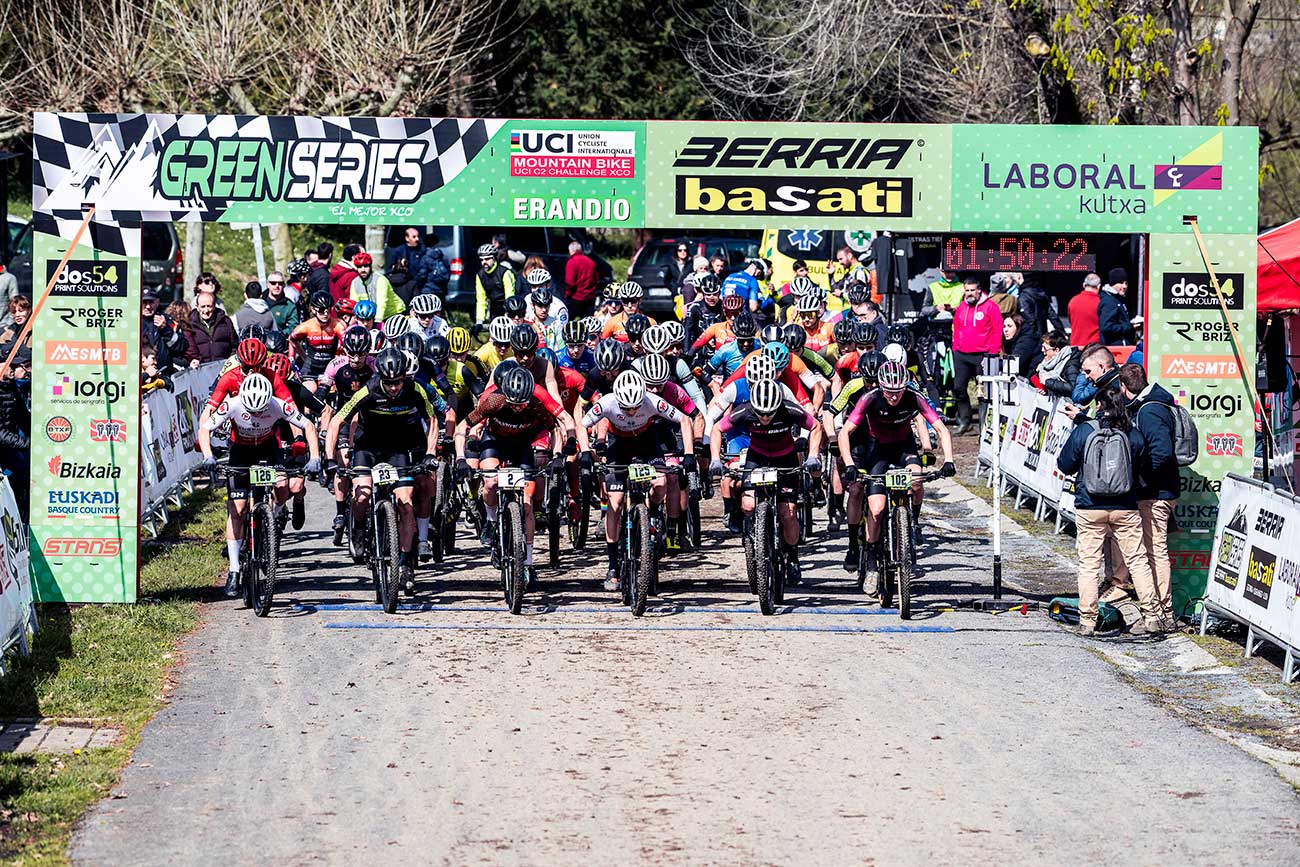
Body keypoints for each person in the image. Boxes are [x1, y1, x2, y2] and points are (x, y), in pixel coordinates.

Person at [1057, 353, 1163, 636]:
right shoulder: (1133, 433)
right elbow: (1143, 465)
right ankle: (1153, 616)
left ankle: (1088, 621)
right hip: (1125, 506)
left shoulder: (1085, 430)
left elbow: (1064, 464)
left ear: (1099, 404)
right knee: (1138, 560)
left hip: (1089, 505)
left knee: (1089, 563)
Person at [327, 346, 441, 589]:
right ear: (380, 377)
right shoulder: (368, 390)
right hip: (368, 447)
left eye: (397, 382)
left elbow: (433, 420)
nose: (393, 388)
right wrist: (329, 458)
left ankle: (404, 564)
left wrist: (431, 452)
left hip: (398, 449)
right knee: (362, 496)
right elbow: (337, 420)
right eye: (388, 383)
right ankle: (357, 529)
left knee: (406, 503)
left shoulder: (414, 389)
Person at [200, 372, 320, 596]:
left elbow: (308, 426)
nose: (256, 414)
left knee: (282, 487)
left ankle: (274, 516)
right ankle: (234, 570)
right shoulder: (233, 404)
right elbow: (206, 428)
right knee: (237, 510)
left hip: (267, 450)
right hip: (240, 452)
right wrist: (208, 455)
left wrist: (314, 458)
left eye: (260, 410)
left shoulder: (276, 404)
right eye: (251, 410)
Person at [1119, 362, 1180, 630]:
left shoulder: (1150, 411)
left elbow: (1162, 452)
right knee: (1154, 550)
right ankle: (1160, 607)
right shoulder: (1153, 405)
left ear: (1123, 387)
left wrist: (1142, 478)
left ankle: (1163, 611)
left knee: (1154, 551)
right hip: (1160, 490)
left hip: (1156, 492)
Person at [950, 278, 1002, 435]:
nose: (970, 293)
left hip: (982, 355)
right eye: (967, 290)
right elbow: (956, 327)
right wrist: (955, 347)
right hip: (962, 354)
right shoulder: (961, 306)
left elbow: (997, 329)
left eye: (972, 290)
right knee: (958, 388)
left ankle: (984, 425)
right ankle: (964, 421)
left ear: (979, 290)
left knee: (983, 393)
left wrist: (993, 353)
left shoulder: (990, 307)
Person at [349, 251, 405, 322]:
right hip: (373, 316)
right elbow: (355, 305)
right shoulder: (355, 282)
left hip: (394, 312)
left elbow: (382, 304)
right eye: (359, 267)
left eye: (366, 266)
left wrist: (377, 322)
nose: (363, 270)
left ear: (370, 266)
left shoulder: (380, 280)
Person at [475, 243, 519, 323]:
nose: (484, 262)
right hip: (494, 308)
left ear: (494, 258)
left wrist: (508, 314)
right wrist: (479, 321)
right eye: (481, 259)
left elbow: (510, 295)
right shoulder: (480, 275)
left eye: (487, 259)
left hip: (510, 306)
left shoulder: (505, 272)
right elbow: (481, 299)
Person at [189, 291, 237, 363]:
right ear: (197, 307)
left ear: (214, 306)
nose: (206, 310)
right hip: (200, 369)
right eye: (203, 306)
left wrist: (230, 361)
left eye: (209, 306)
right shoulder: (190, 324)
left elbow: (235, 345)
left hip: (223, 367)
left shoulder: (226, 321)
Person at [141, 289, 183, 371]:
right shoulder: (133, 321)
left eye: (151, 302)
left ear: (157, 302)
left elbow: (180, 347)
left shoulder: (167, 321)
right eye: (144, 302)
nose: (148, 306)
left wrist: (165, 329)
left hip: (163, 372)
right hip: (140, 374)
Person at [1033, 331, 1080, 398]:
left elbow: (1071, 388)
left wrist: (1047, 382)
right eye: (1042, 347)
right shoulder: (1045, 363)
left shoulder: (1071, 363)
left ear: (1057, 350)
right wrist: (1045, 390)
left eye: (1045, 348)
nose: (1042, 350)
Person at [1098, 267, 1134, 346]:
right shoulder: (1109, 302)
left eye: (1126, 283)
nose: (1124, 286)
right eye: (1121, 283)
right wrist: (1128, 326)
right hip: (1115, 348)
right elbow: (1106, 327)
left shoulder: (1119, 299)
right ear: (1113, 283)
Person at [565, 240, 599, 318]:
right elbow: (596, 280)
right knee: (587, 324)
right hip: (589, 298)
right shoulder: (591, 262)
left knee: (568, 322)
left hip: (575, 298)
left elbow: (570, 282)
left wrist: (567, 295)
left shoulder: (572, 262)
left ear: (571, 250)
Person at [1067, 273, 1102, 347]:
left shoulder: (1073, 301)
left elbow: (1071, 321)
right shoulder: (1100, 303)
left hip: (1075, 346)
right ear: (1099, 286)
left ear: (1084, 285)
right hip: (1093, 347)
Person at [165, 299, 200, 369]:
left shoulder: (166, 326)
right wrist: (196, 359)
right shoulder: (186, 329)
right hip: (184, 364)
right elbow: (191, 351)